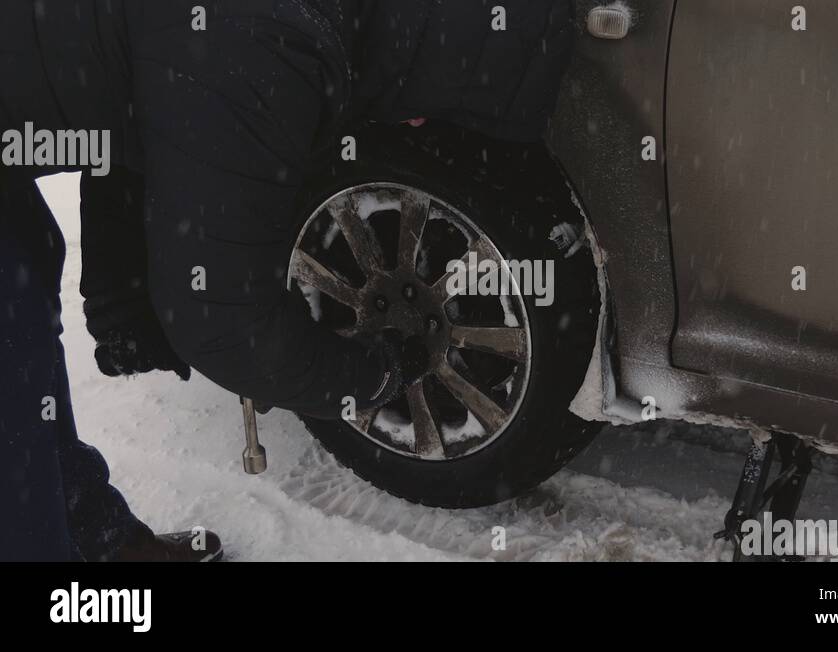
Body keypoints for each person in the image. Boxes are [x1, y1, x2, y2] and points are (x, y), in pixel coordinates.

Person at [0, 0, 574, 561]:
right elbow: (224, 325)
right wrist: (379, 371)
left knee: (21, 288)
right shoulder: (262, 41)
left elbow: (139, 99)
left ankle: (88, 531)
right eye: (429, 111)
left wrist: (119, 294)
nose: (417, 124)